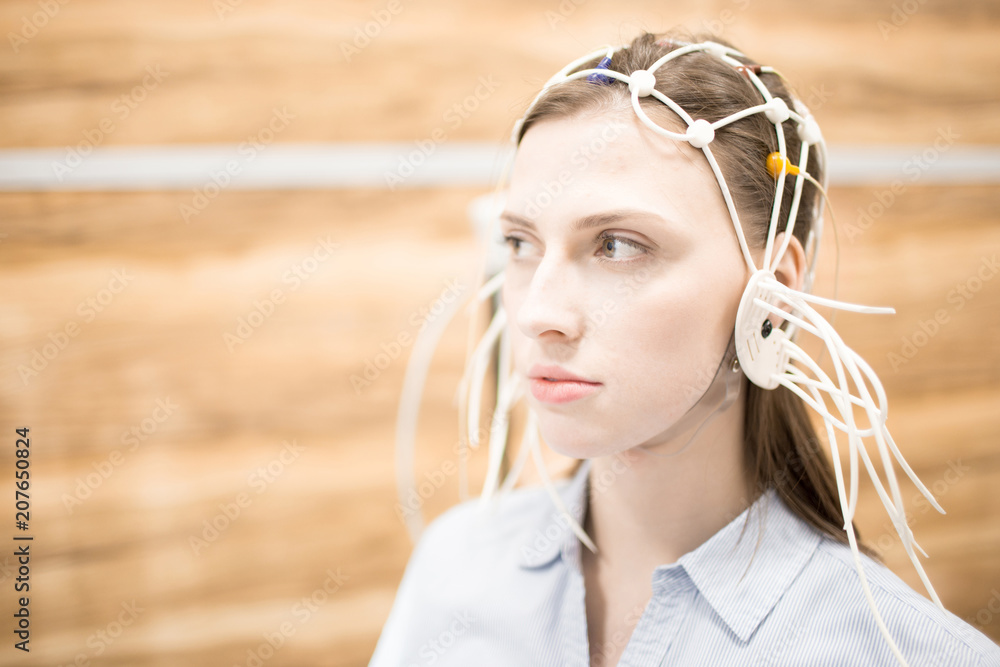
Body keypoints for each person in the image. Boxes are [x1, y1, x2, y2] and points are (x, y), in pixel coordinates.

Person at [370, 31, 1000, 666]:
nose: (537, 314)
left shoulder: (902, 653)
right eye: (519, 244)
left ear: (774, 293)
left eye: (617, 245)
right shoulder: (453, 574)